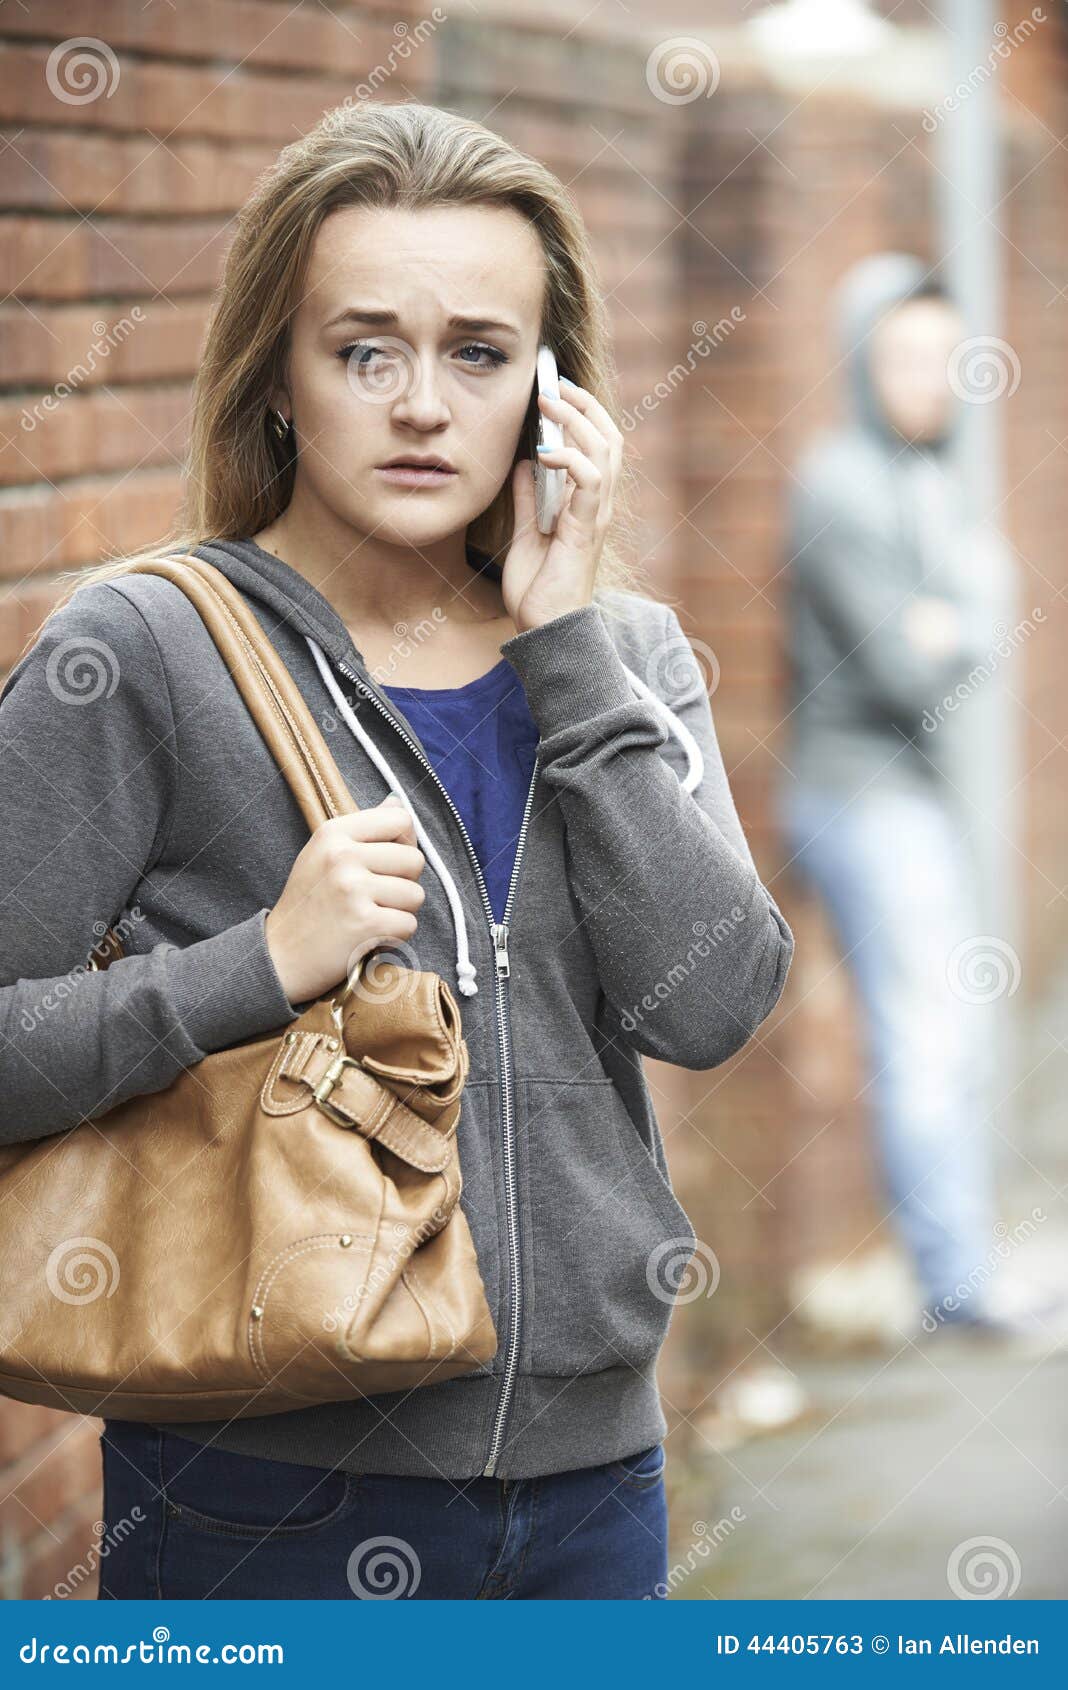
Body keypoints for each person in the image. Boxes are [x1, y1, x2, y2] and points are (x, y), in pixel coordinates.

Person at [0, 101, 793, 1600]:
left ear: (553, 396)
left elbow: (712, 1004)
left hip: (594, 1491)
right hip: (260, 1492)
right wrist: (255, 965)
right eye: (366, 350)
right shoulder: (146, 651)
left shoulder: (623, 656)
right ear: (278, 377)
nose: (424, 405)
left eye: (480, 354)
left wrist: (566, 651)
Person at [777, 251, 1047, 1341]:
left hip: (912, 797)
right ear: (860, 362)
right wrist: (967, 608)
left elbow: (944, 637)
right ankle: (957, 1290)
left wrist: (950, 617)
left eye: (945, 357)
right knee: (927, 1041)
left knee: (954, 1034)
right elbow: (904, 667)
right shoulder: (841, 486)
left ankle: (964, 1267)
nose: (929, 380)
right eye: (904, 356)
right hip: (861, 797)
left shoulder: (920, 481)